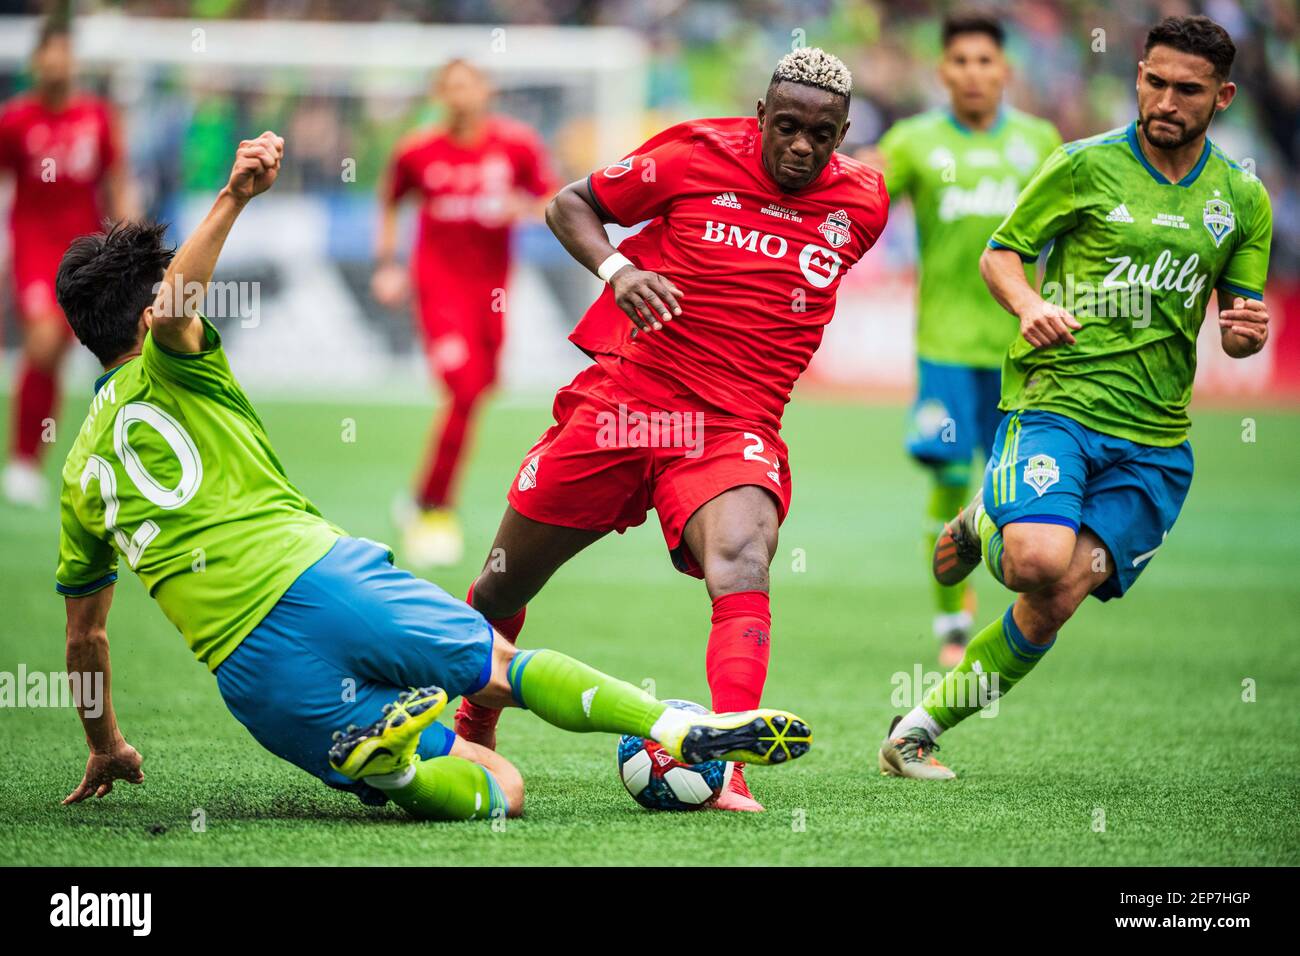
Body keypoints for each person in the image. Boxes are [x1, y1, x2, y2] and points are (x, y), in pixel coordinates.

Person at [54, 132, 811, 819]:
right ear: (149, 316)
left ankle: (396, 774)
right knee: (502, 669)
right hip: (323, 578)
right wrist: (235, 196)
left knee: (495, 790)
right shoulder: (175, 366)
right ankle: (675, 725)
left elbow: (85, 639)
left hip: (251, 671)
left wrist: (106, 744)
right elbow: (183, 306)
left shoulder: (80, 474)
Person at [455, 47, 888, 811]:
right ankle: (473, 716)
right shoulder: (693, 154)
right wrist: (619, 271)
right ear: (760, 116)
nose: (800, 147)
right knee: (502, 581)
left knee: (744, 560)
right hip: (631, 401)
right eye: (785, 128)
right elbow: (568, 205)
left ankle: (729, 763)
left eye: (821, 136)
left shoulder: (864, 205)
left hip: (734, 425)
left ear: (844, 132)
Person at [880, 15, 1272, 779]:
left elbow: (1238, 330)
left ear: (1221, 96)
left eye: (1186, 89)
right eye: (1153, 81)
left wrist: (1248, 333)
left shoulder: (1242, 200)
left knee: (1056, 597)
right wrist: (1029, 306)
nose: (1165, 100)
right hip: (1058, 402)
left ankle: (917, 732)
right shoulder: (1082, 165)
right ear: (1136, 77)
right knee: (1034, 560)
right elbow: (1003, 257)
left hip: (1156, 442)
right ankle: (995, 518)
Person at [872, 10, 1060, 666]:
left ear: (1004, 70)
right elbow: (858, 203)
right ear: (941, 70)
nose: (974, 73)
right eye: (961, 61)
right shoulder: (914, 141)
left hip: (1024, 349)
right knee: (951, 473)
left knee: (1014, 486)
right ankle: (952, 624)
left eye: (986, 61)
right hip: (946, 346)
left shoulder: (1040, 143)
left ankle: (1021, 605)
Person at [372, 59, 554, 567]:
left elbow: (552, 200)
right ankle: (434, 505)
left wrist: (519, 208)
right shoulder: (417, 150)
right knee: (463, 387)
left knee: (479, 391)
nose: (458, 95)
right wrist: (387, 264)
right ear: (438, 94)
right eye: (449, 87)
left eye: (466, 85)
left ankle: (416, 500)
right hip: (439, 289)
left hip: (492, 292)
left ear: (486, 90)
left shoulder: (515, 145)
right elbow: (389, 202)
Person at [0, 17, 134, 507]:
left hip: (85, 248)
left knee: (59, 351)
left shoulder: (96, 117)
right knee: (42, 340)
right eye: (48, 53)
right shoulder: (15, 121)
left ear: (73, 60)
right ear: (37, 61)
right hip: (34, 245)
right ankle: (20, 459)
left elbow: (117, 179)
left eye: (64, 52)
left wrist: (129, 236)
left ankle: (37, 456)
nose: (57, 62)